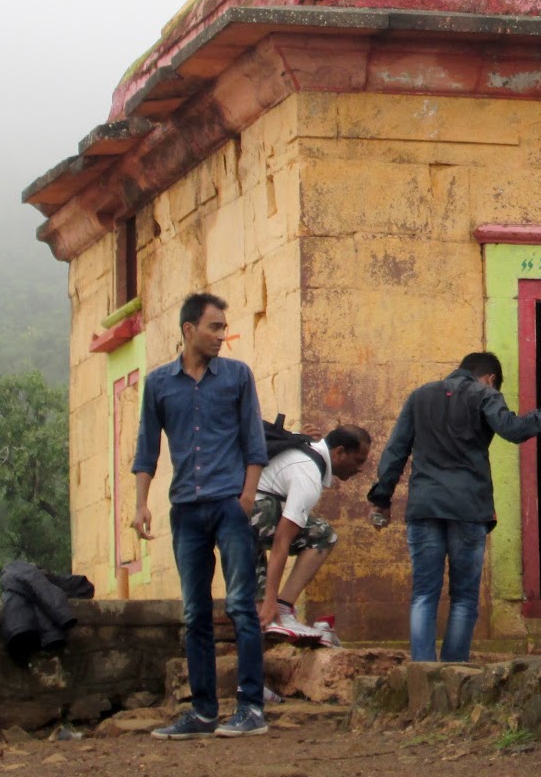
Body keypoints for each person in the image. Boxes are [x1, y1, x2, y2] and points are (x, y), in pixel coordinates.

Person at [131, 292, 270, 739]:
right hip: (186, 511)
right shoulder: (158, 384)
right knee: (195, 613)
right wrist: (141, 504)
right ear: (189, 330)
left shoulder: (237, 376)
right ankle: (204, 712)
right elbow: (146, 450)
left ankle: (251, 708)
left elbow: (254, 443)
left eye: (223, 327)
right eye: (214, 327)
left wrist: (246, 498)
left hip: (230, 505)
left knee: (241, 607)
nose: (221, 335)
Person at [367, 351, 541, 662]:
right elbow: (513, 430)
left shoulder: (419, 397)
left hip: (425, 507)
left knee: (424, 594)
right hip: (469, 508)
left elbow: (395, 451)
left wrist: (381, 499)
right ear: (491, 379)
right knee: (464, 598)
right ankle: (454, 669)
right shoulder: (485, 395)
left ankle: (422, 670)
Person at [253, 423, 373, 640]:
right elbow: (282, 541)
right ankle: (282, 608)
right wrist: (272, 600)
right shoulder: (308, 474)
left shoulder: (304, 445)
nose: (359, 469)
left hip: (235, 521)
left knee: (260, 618)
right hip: (251, 519)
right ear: (339, 452)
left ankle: (268, 616)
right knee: (323, 535)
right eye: (358, 461)